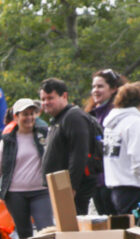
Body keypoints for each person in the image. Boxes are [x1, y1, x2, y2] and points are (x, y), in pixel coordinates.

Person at [0, 98, 53, 239]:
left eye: (32, 113)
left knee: (47, 231)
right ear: (16, 117)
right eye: (25, 114)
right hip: (15, 194)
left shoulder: (44, 133)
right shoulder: (7, 141)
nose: (29, 117)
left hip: (41, 191)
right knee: (24, 234)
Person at [40, 77, 100, 215]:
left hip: (75, 188)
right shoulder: (58, 119)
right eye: (43, 99)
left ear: (64, 96)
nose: (46, 103)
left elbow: (79, 153)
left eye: (50, 98)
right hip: (60, 186)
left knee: (75, 228)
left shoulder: (73, 117)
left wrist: (71, 187)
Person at [85, 68, 127, 214]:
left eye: (100, 86)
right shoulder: (90, 115)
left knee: (119, 223)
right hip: (96, 181)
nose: (95, 90)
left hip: (114, 181)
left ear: (114, 89)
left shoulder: (118, 114)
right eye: (94, 86)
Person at [101, 82, 140, 216]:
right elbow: (138, 161)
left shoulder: (112, 123)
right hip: (133, 190)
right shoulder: (135, 123)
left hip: (116, 189)